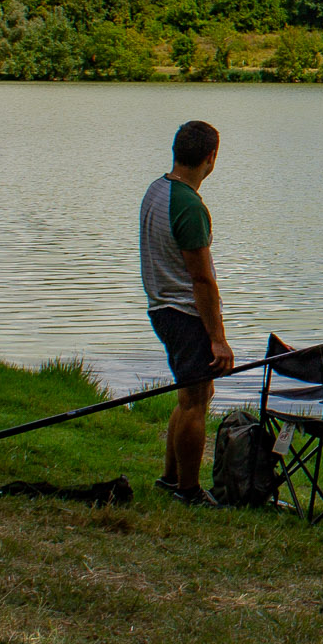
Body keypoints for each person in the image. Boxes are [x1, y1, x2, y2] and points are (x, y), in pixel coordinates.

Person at [140, 120, 233, 506]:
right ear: (211, 158)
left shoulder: (157, 189)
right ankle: (189, 491)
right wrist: (218, 339)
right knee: (196, 400)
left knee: (190, 394)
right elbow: (202, 281)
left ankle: (170, 477)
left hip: (162, 308)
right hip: (182, 313)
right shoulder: (190, 206)